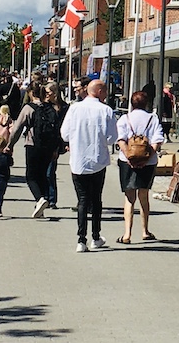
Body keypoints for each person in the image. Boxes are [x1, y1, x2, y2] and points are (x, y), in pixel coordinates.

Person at [59, 80, 118, 253]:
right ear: (99, 91)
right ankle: (95, 236)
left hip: (78, 160)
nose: (107, 94)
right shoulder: (106, 110)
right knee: (96, 199)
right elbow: (111, 138)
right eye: (105, 90)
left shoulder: (75, 108)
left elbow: (65, 134)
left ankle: (81, 239)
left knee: (82, 200)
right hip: (98, 160)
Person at [114, 91, 164, 244]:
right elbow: (157, 140)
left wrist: (129, 155)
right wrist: (147, 157)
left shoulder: (124, 119)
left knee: (129, 198)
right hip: (148, 163)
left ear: (131, 103)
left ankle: (127, 233)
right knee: (144, 195)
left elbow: (120, 140)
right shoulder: (153, 119)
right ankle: (145, 230)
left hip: (126, 162)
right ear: (146, 103)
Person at [8, 81, 60, 219]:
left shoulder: (28, 108)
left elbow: (17, 129)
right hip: (48, 147)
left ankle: (40, 199)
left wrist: (10, 145)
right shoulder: (52, 108)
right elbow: (57, 130)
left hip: (33, 145)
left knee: (31, 176)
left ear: (31, 93)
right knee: (42, 175)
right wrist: (56, 148)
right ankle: (41, 207)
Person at [44, 81, 70, 209]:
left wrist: (66, 143)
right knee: (45, 172)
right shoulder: (45, 106)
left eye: (48, 92)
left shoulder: (65, 107)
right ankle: (45, 198)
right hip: (44, 142)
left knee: (50, 172)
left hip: (57, 142)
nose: (46, 95)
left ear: (54, 93)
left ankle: (52, 199)